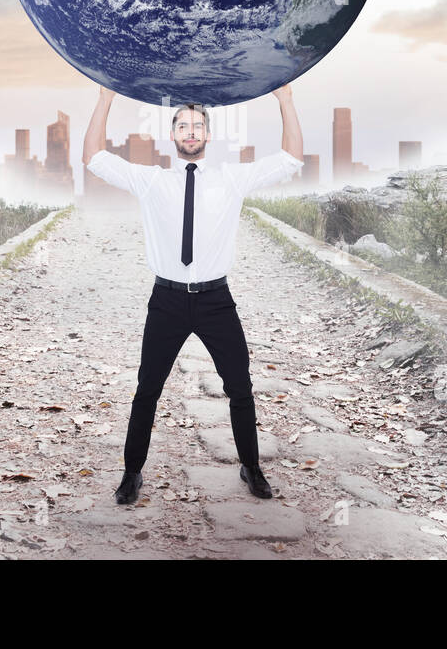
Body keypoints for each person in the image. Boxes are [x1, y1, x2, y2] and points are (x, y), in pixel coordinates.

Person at [82, 83, 304, 505]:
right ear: (173, 135)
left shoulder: (231, 179)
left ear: (207, 134)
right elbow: (92, 157)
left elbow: (292, 157)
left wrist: (285, 100)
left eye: (196, 125)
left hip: (216, 301)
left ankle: (250, 466)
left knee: (239, 386)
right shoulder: (152, 181)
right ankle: (132, 473)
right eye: (182, 125)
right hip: (166, 301)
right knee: (147, 388)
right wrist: (105, 98)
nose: (189, 131)